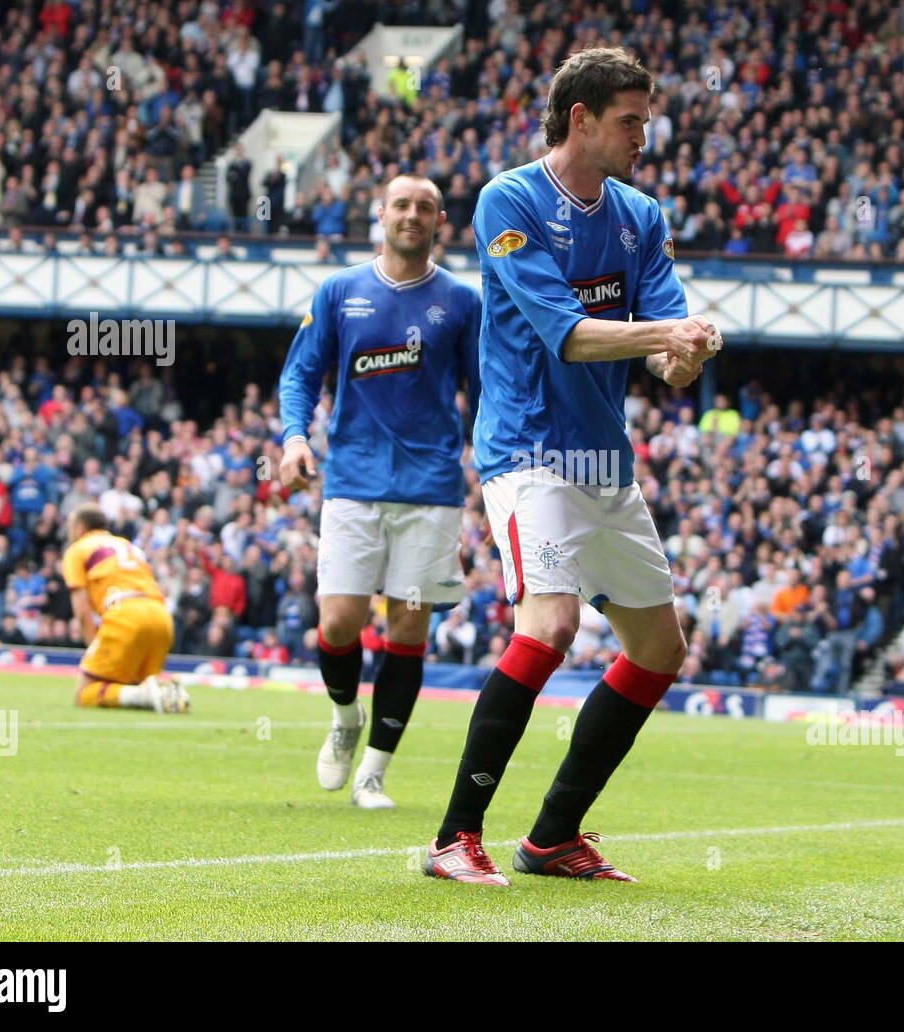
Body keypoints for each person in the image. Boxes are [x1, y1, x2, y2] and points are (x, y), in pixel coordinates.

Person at [422, 47, 720, 886]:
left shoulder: (640, 215)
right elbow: (569, 332)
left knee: (660, 649)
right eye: (630, 121)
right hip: (527, 451)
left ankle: (553, 836)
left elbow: (662, 350)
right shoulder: (508, 200)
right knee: (549, 626)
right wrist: (668, 335)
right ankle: (454, 837)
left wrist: (684, 356)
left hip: (604, 460)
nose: (644, 137)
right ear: (580, 118)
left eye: (648, 120)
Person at [278, 173, 481, 809]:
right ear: (381, 215)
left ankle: (374, 771)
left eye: (425, 206)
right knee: (337, 623)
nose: (412, 215)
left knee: (408, 629)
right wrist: (293, 438)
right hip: (353, 482)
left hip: (430, 488)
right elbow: (301, 373)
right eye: (402, 205)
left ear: (439, 220)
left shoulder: (461, 301)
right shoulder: (340, 291)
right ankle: (344, 719)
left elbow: (483, 392)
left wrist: (493, 458)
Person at [60, 503, 189, 713]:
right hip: (160, 614)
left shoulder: (78, 549)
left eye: (70, 525)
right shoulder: (128, 545)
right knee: (128, 685)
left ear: (81, 527)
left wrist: (94, 648)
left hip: (126, 613)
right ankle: (169, 695)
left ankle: (143, 694)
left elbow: (82, 613)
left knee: (85, 694)